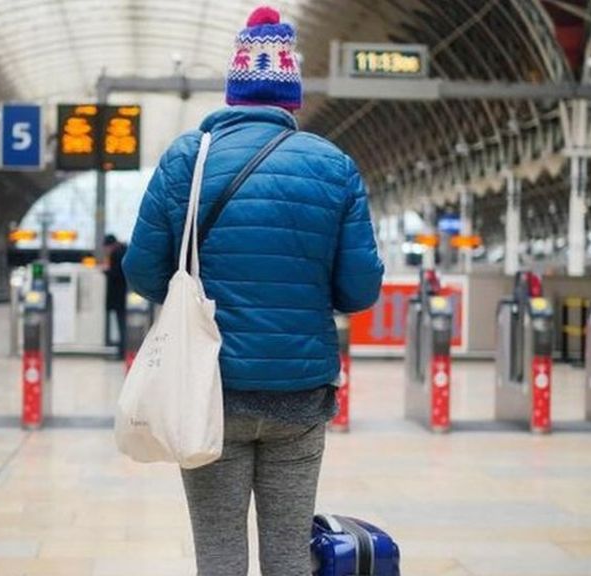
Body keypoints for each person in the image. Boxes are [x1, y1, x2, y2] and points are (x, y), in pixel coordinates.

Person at [122, 6, 384, 576]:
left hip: (207, 389)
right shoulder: (334, 166)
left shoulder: (186, 161)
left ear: (233, 92)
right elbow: (359, 290)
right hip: (299, 394)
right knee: (290, 554)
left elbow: (142, 274)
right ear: (289, 97)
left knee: (219, 555)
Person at [103, 234, 128, 358]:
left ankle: (122, 352)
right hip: (125, 296)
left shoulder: (116, 253)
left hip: (118, 297)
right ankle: (124, 350)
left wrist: (106, 271)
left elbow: (115, 273)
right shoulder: (124, 250)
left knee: (121, 324)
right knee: (123, 324)